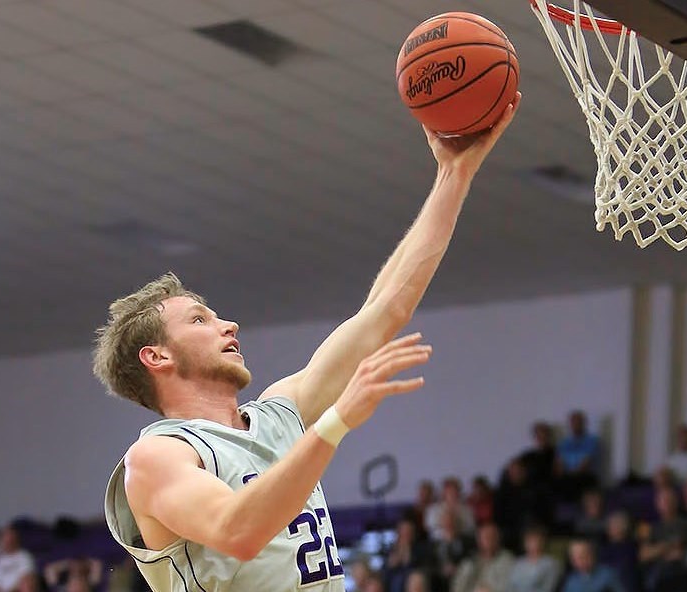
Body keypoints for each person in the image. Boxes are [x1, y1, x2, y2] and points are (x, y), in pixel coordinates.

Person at [97, 94, 521, 592]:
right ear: (157, 356)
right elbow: (238, 531)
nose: (228, 325)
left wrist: (455, 175)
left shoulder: (279, 415)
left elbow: (385, 309)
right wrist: (337, 421)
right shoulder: (159, 457)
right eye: (200, 319)